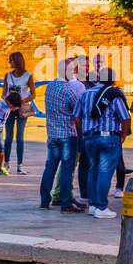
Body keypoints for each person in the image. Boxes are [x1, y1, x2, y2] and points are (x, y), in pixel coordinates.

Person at [73, 72, 131, 218]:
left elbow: (76, 117)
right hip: (109, 136)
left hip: (90, 138)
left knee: (93, 170)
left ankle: (92, 205)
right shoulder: (113, 94)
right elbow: (125, 117)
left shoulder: (85, 94)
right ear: (112, 80)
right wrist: (123, 135)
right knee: (105, 172)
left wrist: (84, 133)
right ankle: (101, 207)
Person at [40, 68, 86, 212]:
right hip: (67, 134)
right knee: (67, 169)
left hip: (52, 134)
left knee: (50, 168)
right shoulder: (68, 90)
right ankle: (66, 202)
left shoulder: (50, 86)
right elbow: (79, 109)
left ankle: (44, 200)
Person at [0, 51, 36, 173]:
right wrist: (9, 103)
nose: (9, 62)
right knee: (8, 137)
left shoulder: (28, 76)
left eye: (11, 60)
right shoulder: (7, 76)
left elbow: (34, 94)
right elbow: (3, 93)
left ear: (17, 61)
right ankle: (6, 163)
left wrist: (21, 101)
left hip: (21, 109)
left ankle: (20, 165)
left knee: (19, 137)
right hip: (9, 109)